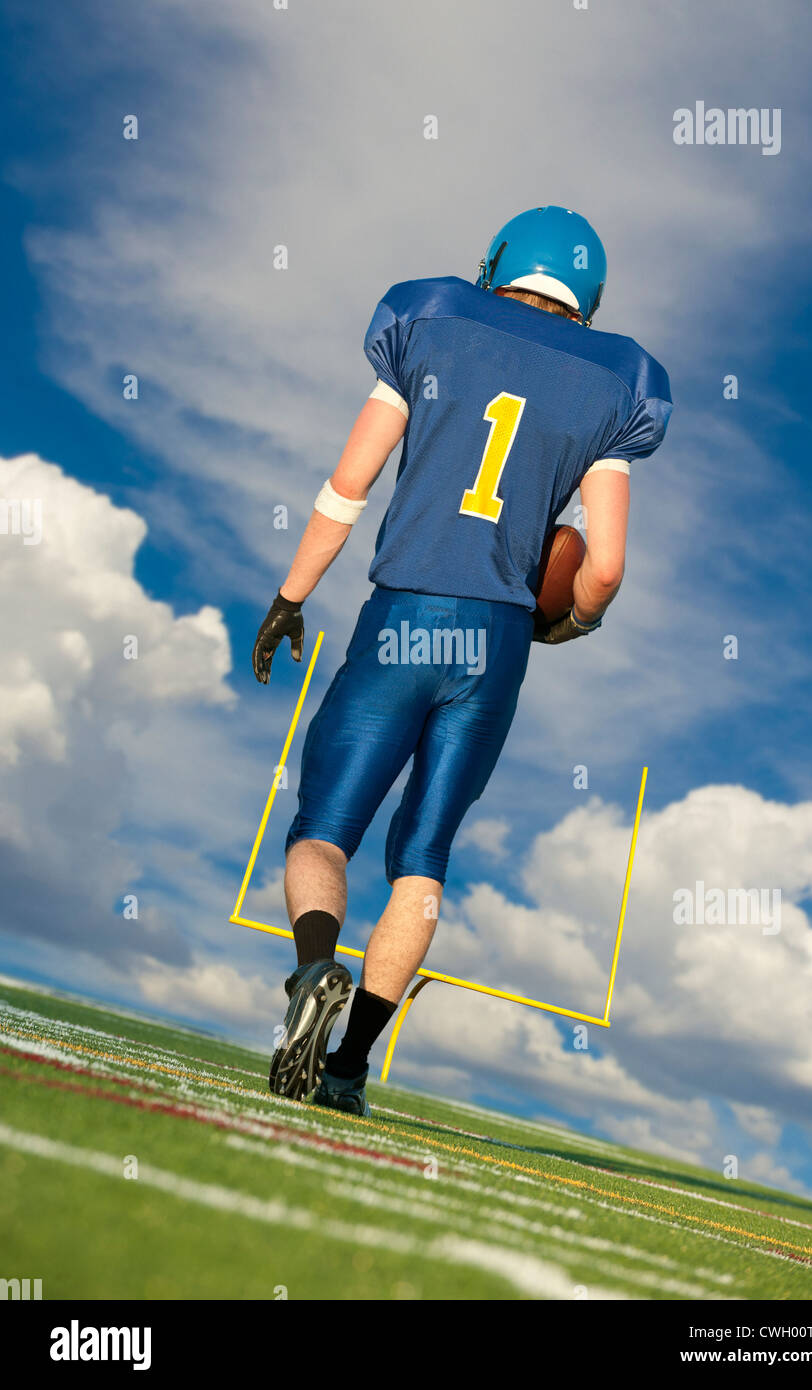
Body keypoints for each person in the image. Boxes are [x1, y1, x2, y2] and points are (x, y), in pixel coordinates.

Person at [252, 205, 672, 1116]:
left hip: (404, 611)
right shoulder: (619, 382)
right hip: (496, 638)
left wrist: (290, 598)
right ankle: (349, 1068)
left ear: (498, 265)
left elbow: (347, 487)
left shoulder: (430, 317)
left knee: (323, 831)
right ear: (588, 298)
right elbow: (602, 566)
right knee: (423, 862)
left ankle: (315, 971)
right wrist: (565, 628)